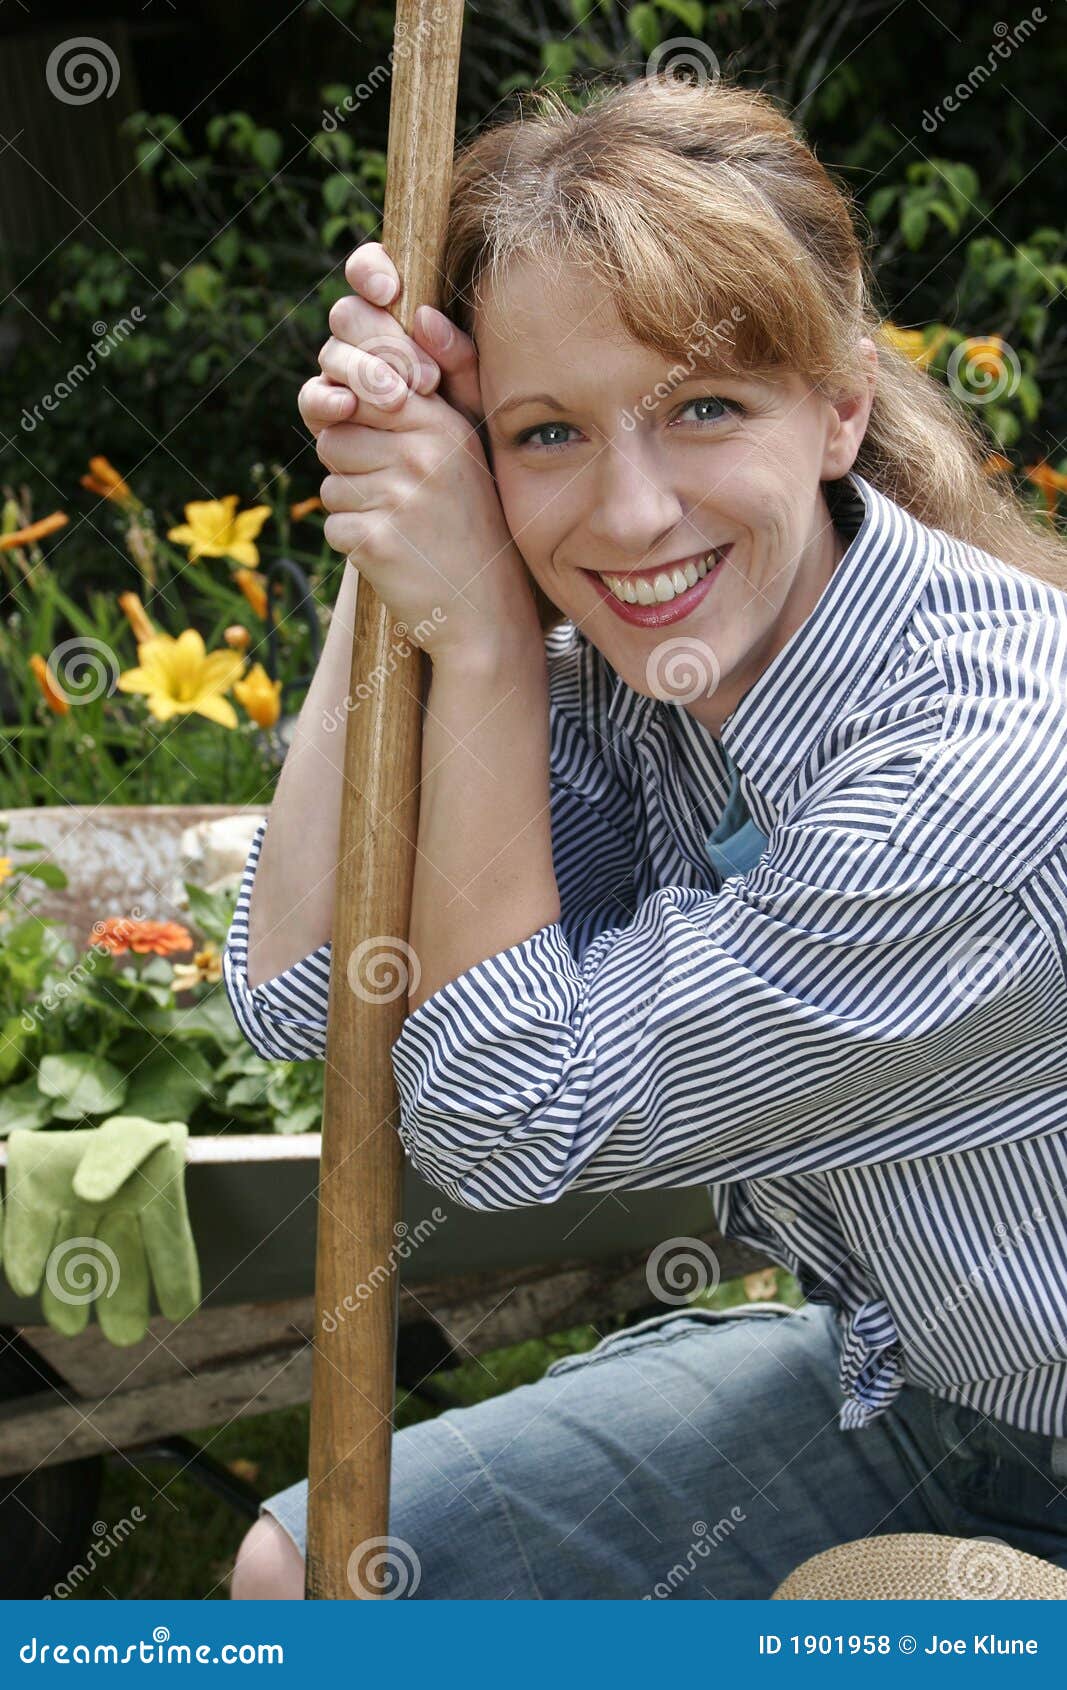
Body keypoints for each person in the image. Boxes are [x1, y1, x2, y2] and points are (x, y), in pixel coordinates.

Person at [225, 74, 1067, 1599]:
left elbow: (510, 1118)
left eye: (703, 408)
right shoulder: (662, 682)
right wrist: (391, 509)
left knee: (877, 1620)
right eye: (546, 432)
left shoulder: (983, 773)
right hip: (926, 1399)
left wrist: (480, 639)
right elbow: (308, 986)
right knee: (314, 1579)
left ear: (841, 407)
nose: (627, 514)